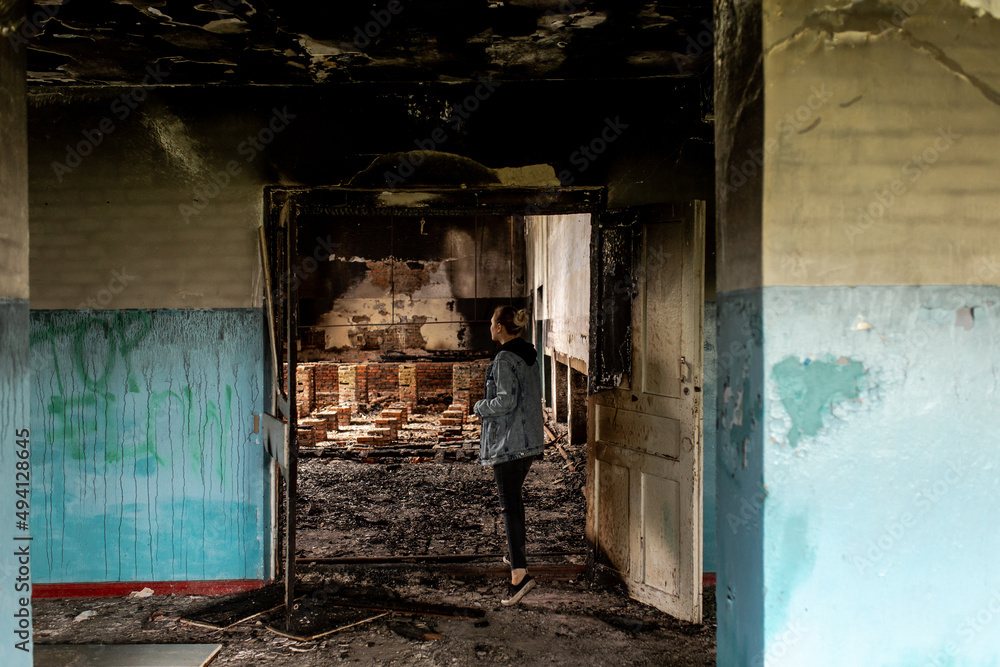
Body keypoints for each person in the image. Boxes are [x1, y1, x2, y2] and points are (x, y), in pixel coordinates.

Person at [474, 305, 545, 606]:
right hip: (529, 441)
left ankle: (519, 575)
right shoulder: (529, 354)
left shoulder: (504, 359)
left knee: (509, 507)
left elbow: (504, 401)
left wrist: (480, 407)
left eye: (492, 322)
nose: (490, 327)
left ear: (500, 327)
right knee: (514, 502)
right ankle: (516, 555)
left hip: (508, 443)